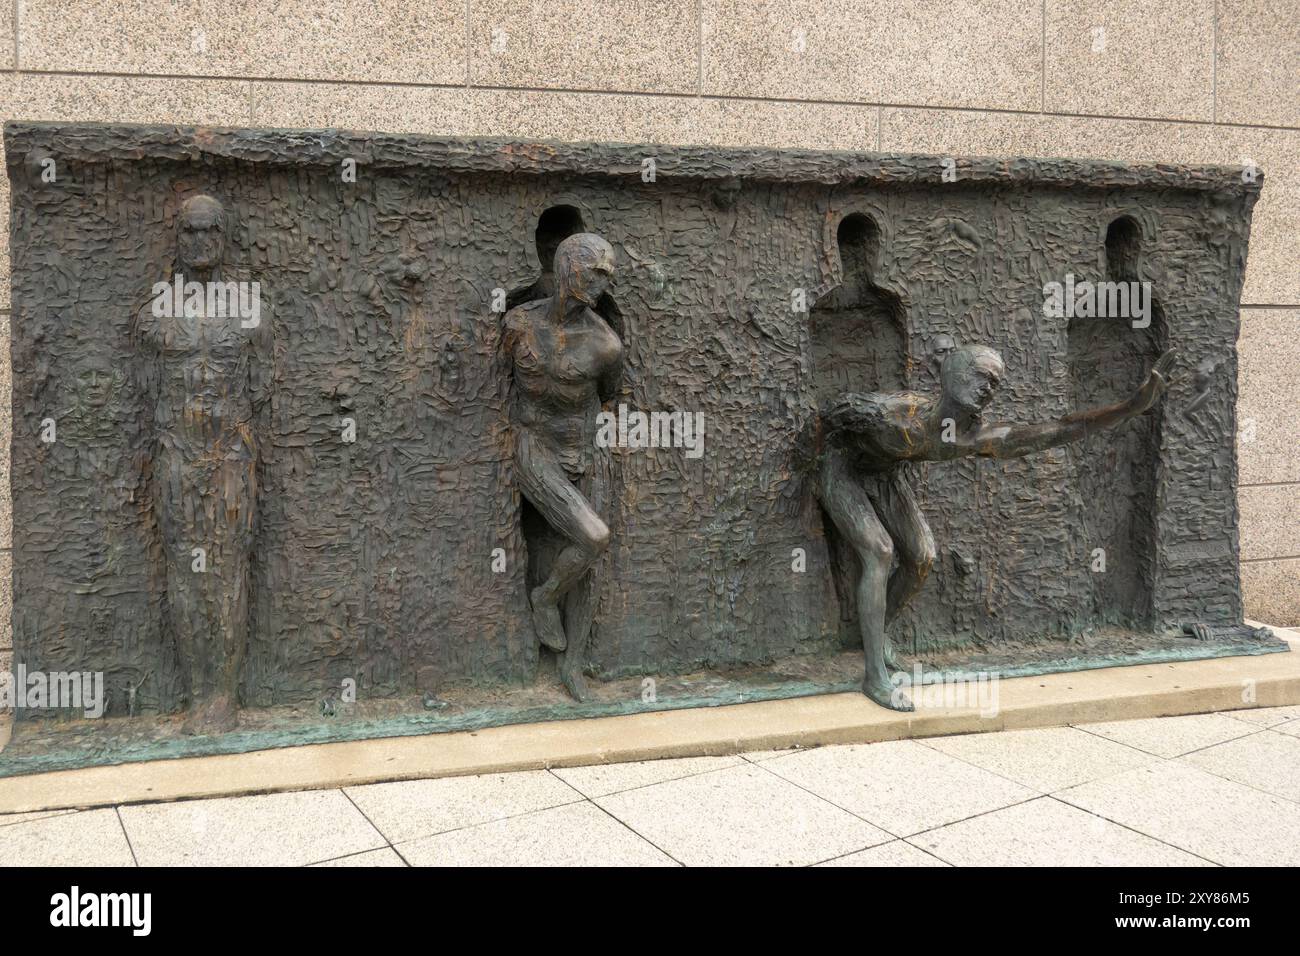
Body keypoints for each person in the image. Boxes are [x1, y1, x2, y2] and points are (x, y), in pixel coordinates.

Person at [818, 344, 1177, 710]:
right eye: (982, 377)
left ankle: (874, 636)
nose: (989, 388)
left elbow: (1058, 429)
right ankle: (875, 676)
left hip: (884, 471)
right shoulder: (900, 416)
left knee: (923, 556)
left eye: (995, 383)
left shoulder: (975, 437)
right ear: (953, 375)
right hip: (840, 464)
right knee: (880, 551)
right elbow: (834, 416)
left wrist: (1130, 406)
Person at [502, 233, 622, 700]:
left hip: (582, 448)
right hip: (530, 445)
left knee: (590, 555)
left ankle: (572, 665)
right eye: (596, 274)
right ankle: (544, 597)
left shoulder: (605, 345)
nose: (602, 285)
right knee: (593, 536)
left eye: (609, 277)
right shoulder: (518, 324)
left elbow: (608, 395)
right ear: (569, 265)